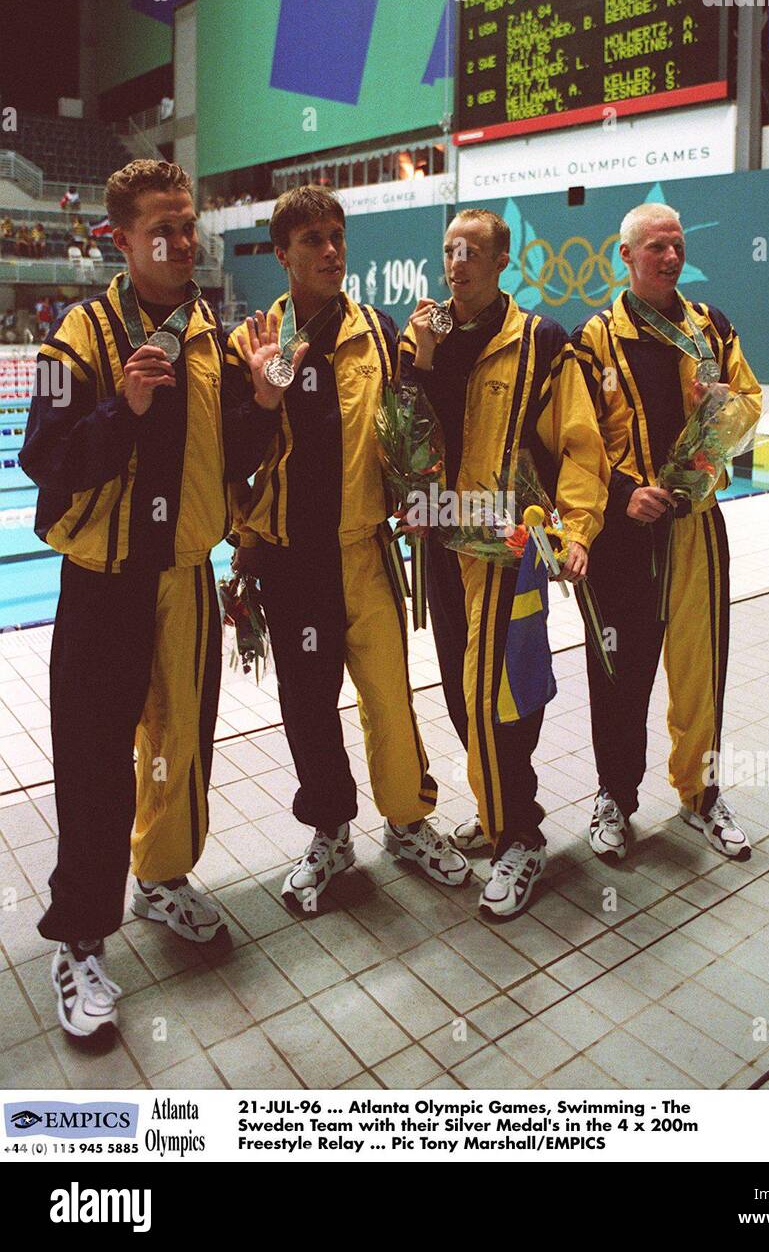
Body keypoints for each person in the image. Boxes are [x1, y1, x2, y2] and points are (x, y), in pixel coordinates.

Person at [19, 159, 283, 1041]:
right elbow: (42, 464)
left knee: (184, 747)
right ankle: (82, 938)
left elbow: (231, 457)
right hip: (104, 587)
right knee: (95, 767)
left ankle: (163, 877)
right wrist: (122, 410)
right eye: (161, 227)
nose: (180, 239)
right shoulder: (74, 337)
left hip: (186, 582)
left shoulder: (215, 336)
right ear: (122, 240)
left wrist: (266, 405)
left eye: (187, 222)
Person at [228, 185, 469, 911]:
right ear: (281, 255)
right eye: (312, 242)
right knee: (307, 704)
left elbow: (407, 426)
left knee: (389, 694)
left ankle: (407, 820)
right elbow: (225, 451)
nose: (331, 251)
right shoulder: (249, 342)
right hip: (291, 557)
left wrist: (418, 486)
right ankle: (330, 833)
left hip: (364, 548)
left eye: (336, 236)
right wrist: (245, 538)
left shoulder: (377, 328)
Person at [400, 209, 609, 918]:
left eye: (472, 252)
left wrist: (575, 528)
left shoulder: (542, 342)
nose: (456, 263)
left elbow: (580, 443)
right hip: (441, 544)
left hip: (507, 553)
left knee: (504, 694)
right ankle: (499, 802)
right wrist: (420, 361)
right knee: (464, 693)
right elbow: (401, 434)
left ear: (500, 262)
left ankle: (519, 834)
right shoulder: (421, 335)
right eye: (448, 251)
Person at [572, 203, 762, 865]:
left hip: (694, 530)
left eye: (677, 246)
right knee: (618, 676)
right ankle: (613, 798)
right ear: (624, 257)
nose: (670, 258)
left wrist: (701, 467)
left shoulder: (710, 327)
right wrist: (624, 493)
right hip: (622, 541)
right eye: (655, 247)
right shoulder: (594, 337)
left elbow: (746, 401)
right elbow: (575, 440)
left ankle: (700, 794)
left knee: (700, 670)